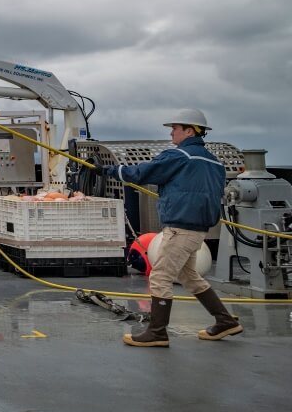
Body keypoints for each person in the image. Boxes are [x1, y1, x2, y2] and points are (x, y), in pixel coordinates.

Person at [101, 108, 241, 347]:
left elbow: (143, 172)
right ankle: (225, 321)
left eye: (175, 129)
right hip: (198, 228)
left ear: (190, 130)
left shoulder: (180, 156)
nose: (171, 134)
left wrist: (109, 170)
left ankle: (157, 332)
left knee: (160, 276)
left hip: (180, 227)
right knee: (189, 277)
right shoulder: (214, 163)